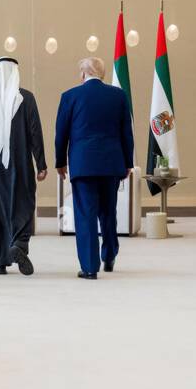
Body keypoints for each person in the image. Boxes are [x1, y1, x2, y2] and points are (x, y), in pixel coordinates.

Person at [54, 57, 134, 279]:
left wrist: (60, 162)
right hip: (111, 164)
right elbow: (127, 133)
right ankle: (109, 255)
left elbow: (61, 134)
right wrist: (127, 162)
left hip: (83, 165)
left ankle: (89, 267)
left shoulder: (69, 96)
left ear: (82, 75)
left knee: (85, 214)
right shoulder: (118, 96)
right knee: (108, 211)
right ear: (103, 74)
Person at [0, 57, 47, 275]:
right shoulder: (26, 98)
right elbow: (35, 132)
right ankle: (19, 245)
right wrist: (41, 163)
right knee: (23, 203)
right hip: (19, 165)